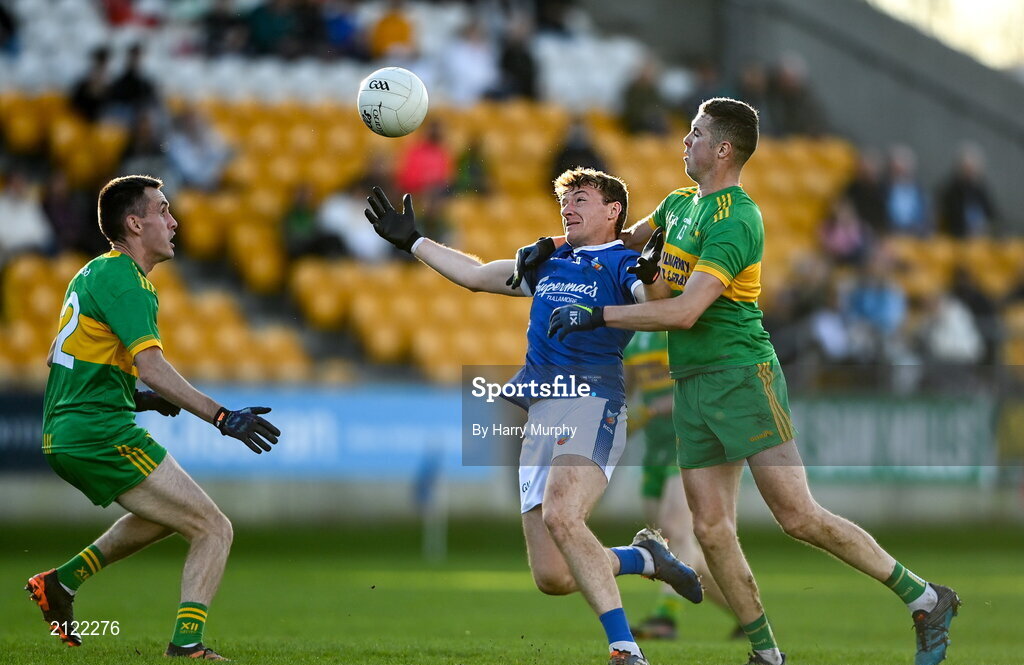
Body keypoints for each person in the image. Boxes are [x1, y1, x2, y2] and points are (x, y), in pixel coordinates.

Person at [542, 98, 959, 665]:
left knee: (798, 516)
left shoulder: (739, 219)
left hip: (742, 376)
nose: (683, 142)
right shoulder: (675, 206)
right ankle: (766, 655)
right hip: (690, 382)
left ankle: (925, 597)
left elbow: (686, 311)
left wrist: (599, 314)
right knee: (710, 530)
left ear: (723, 149)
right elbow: (615, 243)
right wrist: (550, 251)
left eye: (694, 134)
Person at [364, 168, 703, 665]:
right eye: (565, 201)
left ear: (613, 212)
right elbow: (478, 277)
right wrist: (414, 241)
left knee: (563, 515)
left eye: (581, 199)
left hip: (594, 403)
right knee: (553, 577)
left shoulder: (626, 263)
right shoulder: (548, 260)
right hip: (540, 413)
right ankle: (645, 558)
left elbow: (657, 305)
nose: (568, 208)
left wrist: (652, 276)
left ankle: (625, 648)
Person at [25, 175, 281, 659]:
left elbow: (67, 361)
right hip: (97, 432)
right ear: (134, 222)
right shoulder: (126, 280)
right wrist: (222, 416)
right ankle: (187, 645)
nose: (174, 220)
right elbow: (153, 366)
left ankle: (60, 583)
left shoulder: (93, 273)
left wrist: (138, 400)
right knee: (213, 528)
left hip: (71, 429)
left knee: (166, 516)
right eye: (163, 210)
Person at [623, 331, 738, 642]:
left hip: (689, 442)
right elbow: (626, 393)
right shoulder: (635, 342)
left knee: (674, 531)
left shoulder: (683, 330)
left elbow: (706, 386)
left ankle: (665, 618)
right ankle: (745, 612)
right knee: (678, 546)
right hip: (655, 448)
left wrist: (659, 406)